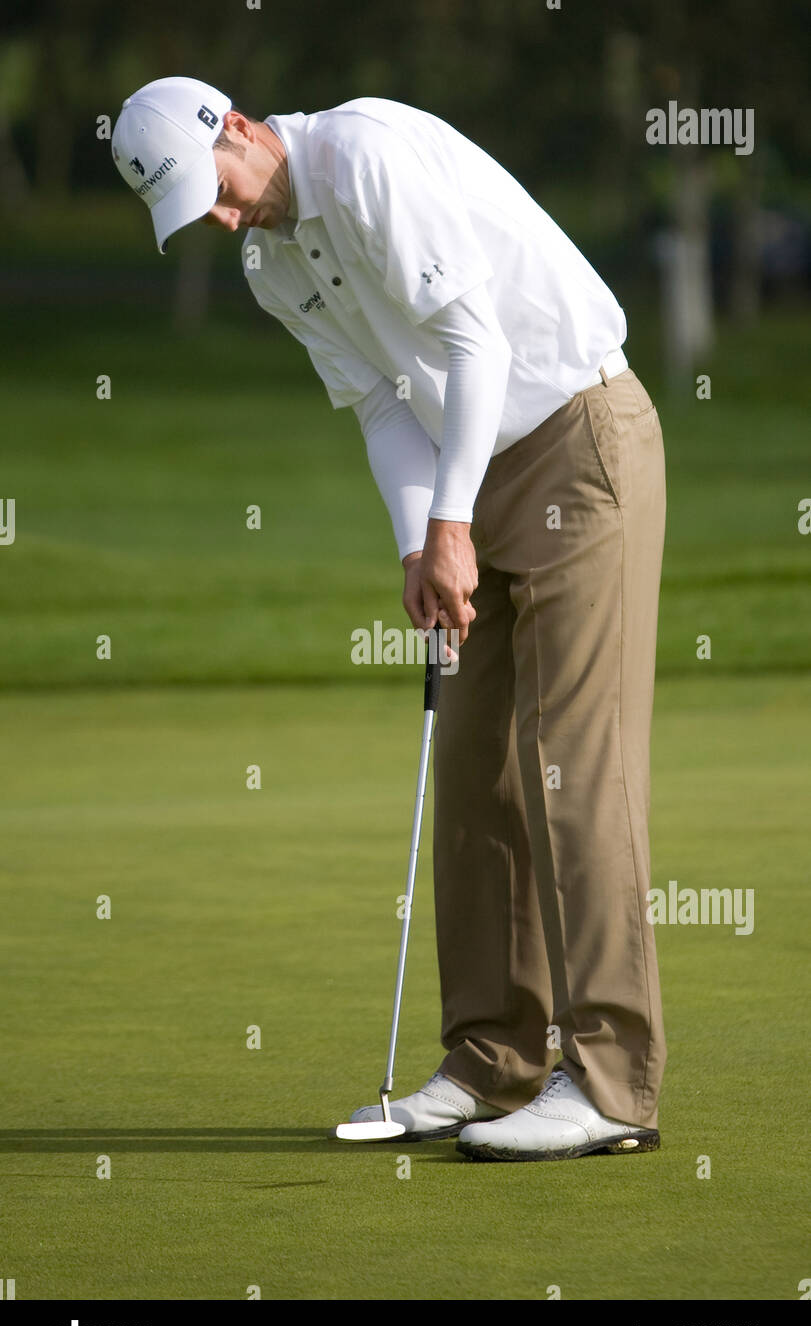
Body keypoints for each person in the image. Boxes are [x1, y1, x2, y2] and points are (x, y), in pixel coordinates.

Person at [112, 76, 667, 1162]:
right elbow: (379, 402)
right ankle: (490, 1058)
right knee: (471, 765)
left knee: (568, 763)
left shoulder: (363, 158)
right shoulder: (272, 263)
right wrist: (421, 544)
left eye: (213, 191)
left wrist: (452, 522)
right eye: (196, 214)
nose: (219, 220)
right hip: (477, 472)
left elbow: (479, 350)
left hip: (575, 437)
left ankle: (610, 1081)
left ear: (233, 128)